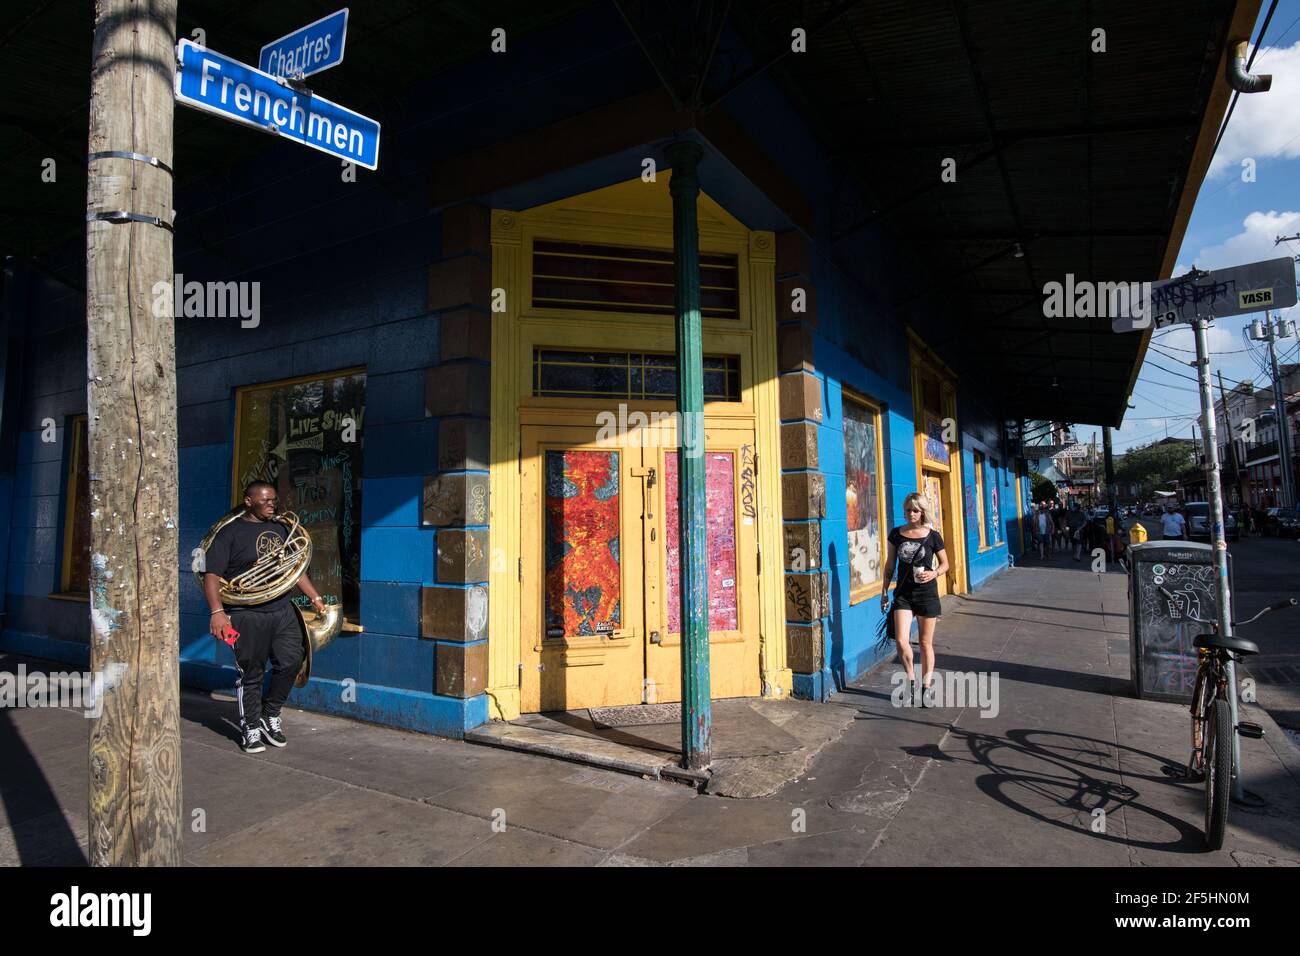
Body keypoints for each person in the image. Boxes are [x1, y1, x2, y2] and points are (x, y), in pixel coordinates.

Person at [204, 480, 329, 753]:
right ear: (249, 501)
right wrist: (217, 612)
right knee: (252, 672)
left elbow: (294, 569)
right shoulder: (229, 533)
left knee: (292, 661)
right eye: (265, 501)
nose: (272, 505)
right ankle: (250, 727)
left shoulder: (282, 527)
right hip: (246, 613)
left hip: (282, 609)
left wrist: (315, 597)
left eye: (273, 500)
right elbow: (211, 575)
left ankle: (270, 713)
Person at [881, 492, 950, 706]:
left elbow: (945, 564)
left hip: (927, 594)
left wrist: (934, 573)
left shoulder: (933, 536)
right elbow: (890, 565)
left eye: (915, 510)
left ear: (922, 512)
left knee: (925, 643)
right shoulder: (896, 534)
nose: (911, 513)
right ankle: (911, 680)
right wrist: (884, 591)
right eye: (908, 510)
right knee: (901, 640)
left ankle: (926, 687)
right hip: (903, 594)